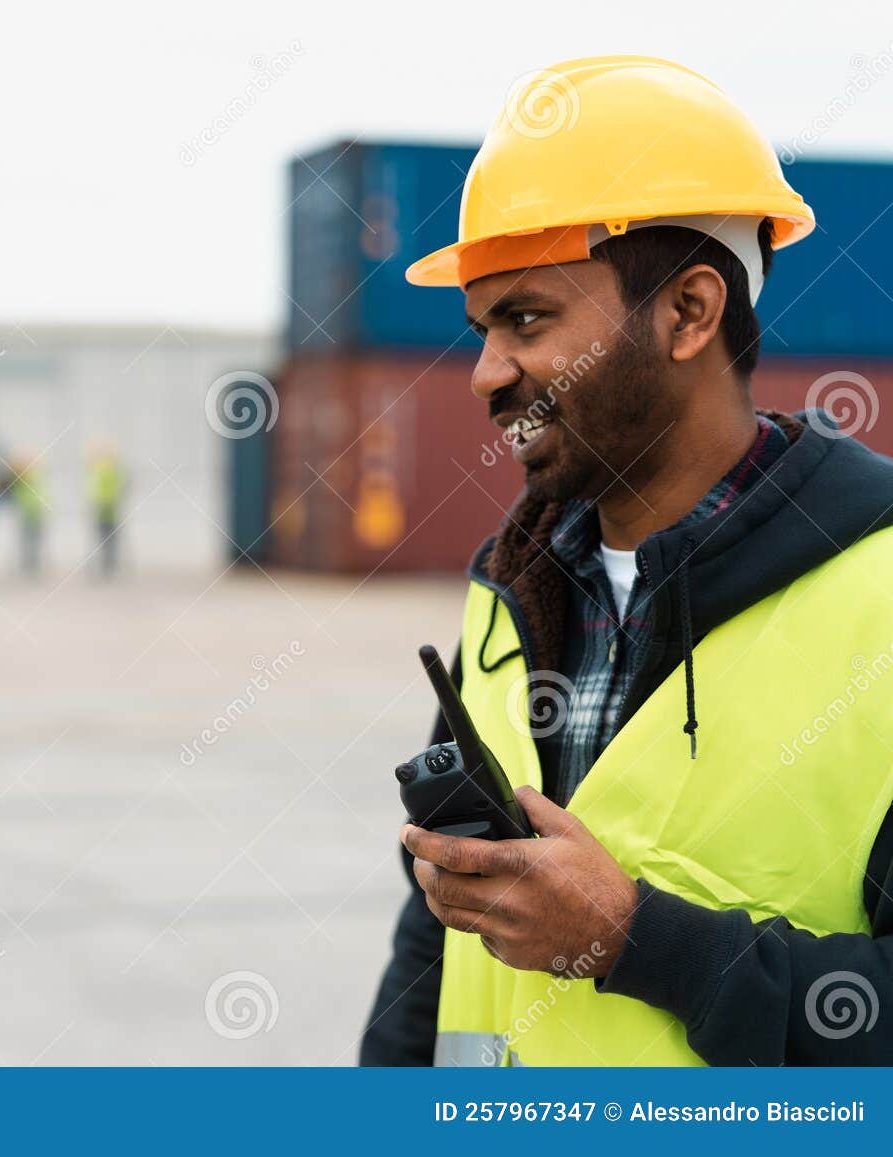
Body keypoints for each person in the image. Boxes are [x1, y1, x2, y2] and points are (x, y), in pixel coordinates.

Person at [362, 56, 893, 1066]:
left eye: (527, 319)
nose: (483, 371)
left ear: (687, 313)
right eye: (480, 329)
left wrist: (639, 942)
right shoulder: (509, 588)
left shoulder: (881, 596)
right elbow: (429, 954)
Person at [85, 445, 127, 577]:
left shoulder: (105, 470)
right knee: (108, 541)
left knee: (106, 541)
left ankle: (107, 568)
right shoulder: (108, 470)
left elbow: (102, 490)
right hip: (106, 511)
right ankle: (106, 567)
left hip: (107, 510)